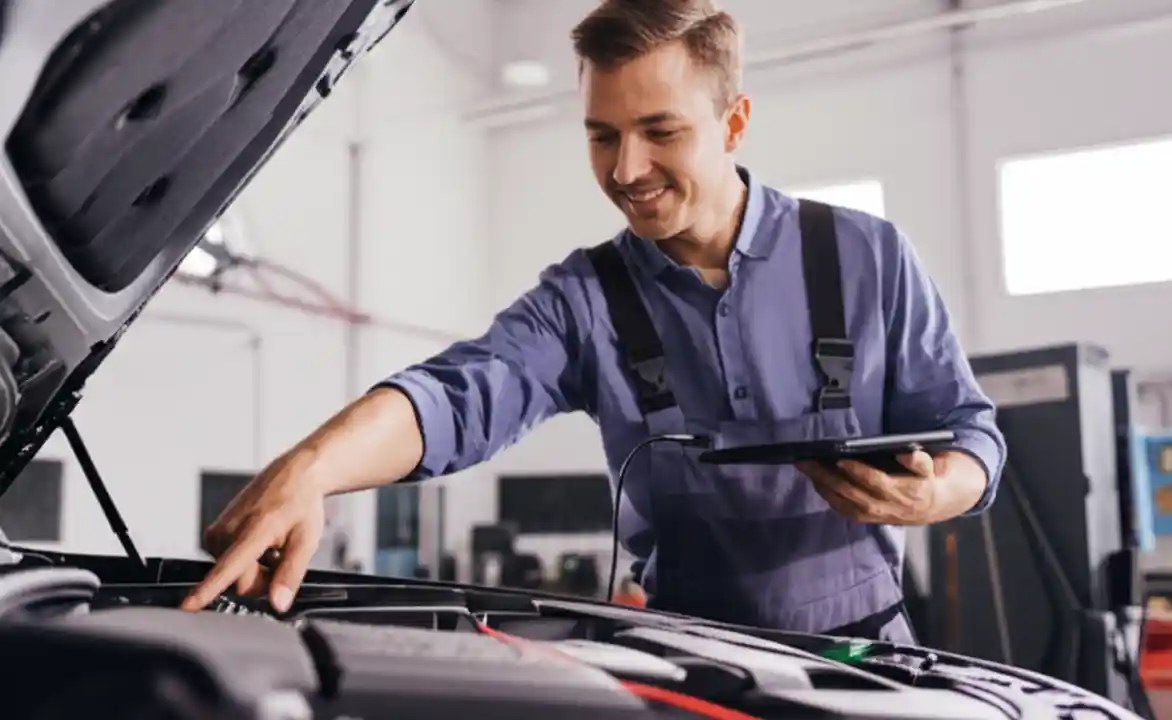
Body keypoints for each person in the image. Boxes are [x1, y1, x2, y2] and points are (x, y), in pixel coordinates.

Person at [182, 0, 1006, 642]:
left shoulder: (865, 255)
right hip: (687, 663)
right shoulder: (585, 300)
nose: (626, 169)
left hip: (866, 658)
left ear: (735, 121)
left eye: (660, 132)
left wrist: (935, 495)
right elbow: (462, 393)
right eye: (602, 135)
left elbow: (971, 434)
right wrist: (313, 468)